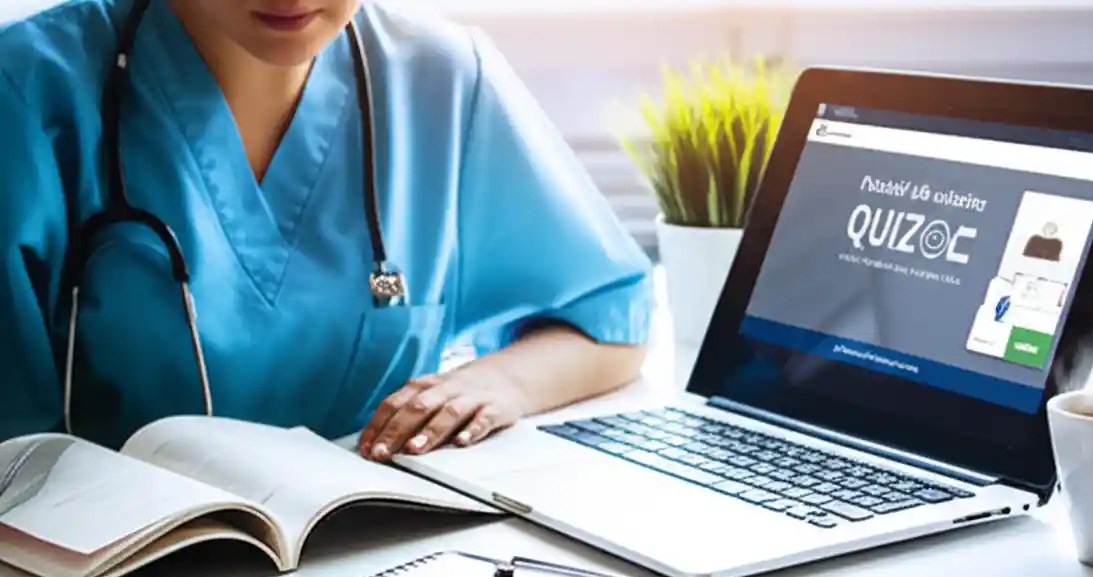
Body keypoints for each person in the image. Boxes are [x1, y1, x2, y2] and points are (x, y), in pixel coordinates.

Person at [0, 0, 652, 459]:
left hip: (386, 568)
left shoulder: (442, 77)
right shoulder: (29, 89)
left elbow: (609, 318)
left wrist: (499, 382)